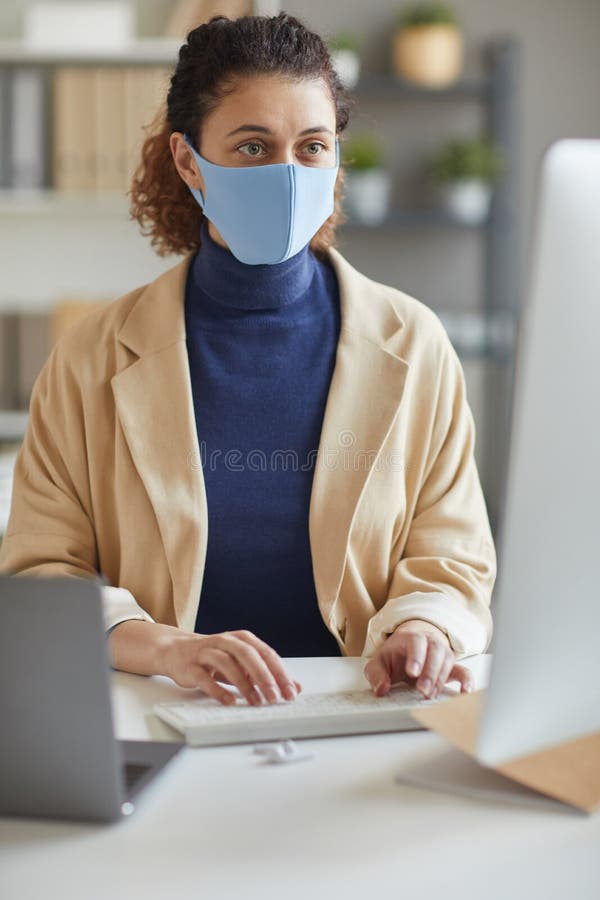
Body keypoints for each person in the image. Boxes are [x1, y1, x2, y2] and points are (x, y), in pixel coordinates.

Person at [0, 12, 496, 709]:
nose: (288, 175)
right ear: (187, 161)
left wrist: (422, 626)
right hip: (162, 713)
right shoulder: (89, 359)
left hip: (358, 711)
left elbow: (453, 559)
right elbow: (41, 575)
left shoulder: (415, 345)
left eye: (313, 146)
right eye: (253, 147)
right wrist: (166, 647)